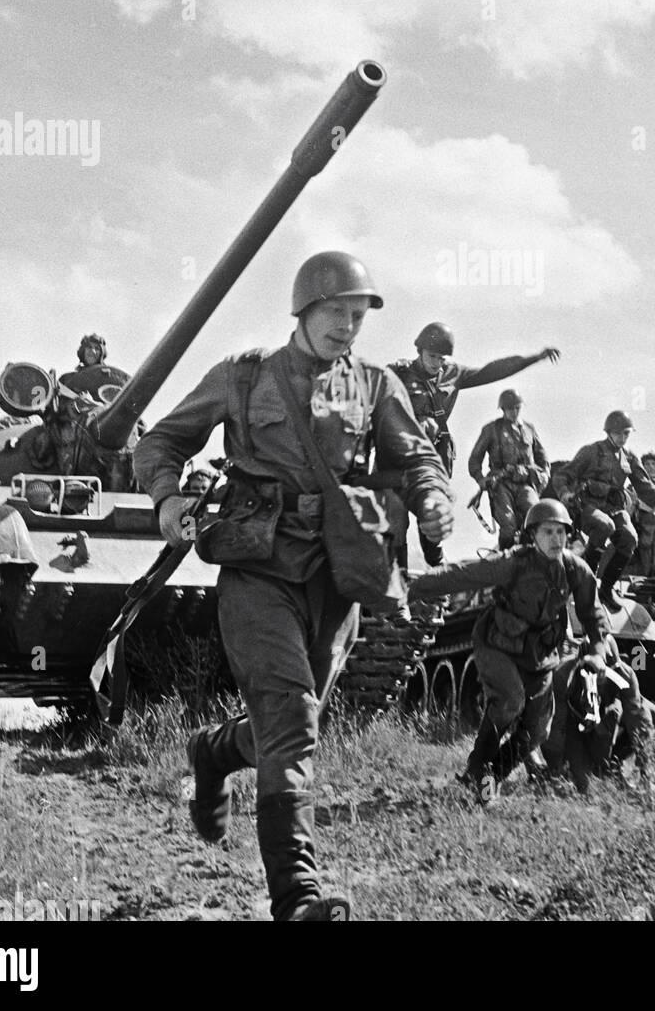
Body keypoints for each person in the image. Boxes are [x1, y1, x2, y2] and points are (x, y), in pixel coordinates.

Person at [132, 251, 452, 921]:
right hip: (258, 567)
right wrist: (167, 502)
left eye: (358, 315)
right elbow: (161, 442)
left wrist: (433, 497)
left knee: (289, 723)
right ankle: (297, 899)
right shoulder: (244, 376)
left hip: (335, 574)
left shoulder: (375, 383)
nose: (348, 326)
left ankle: (214, 751)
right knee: (293, 720)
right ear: (305, 309)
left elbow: (416, 454)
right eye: (337, 312)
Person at [407, 498, 609, 802]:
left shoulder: (574, 570)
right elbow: (463, 574)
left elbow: (594, 615)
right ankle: (477, 768)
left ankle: (488, 779)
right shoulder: (514, 562)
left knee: (538, 730)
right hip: (496, 645)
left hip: (539, 656)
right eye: (548, 532)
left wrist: (597, 651)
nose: (556, 539)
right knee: (510, 702)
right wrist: (410, 587)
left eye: (561, 533)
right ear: (532, 536)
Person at [390, 325, 560, 566]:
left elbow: (494, 370)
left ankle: (438, 573)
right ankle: (399, 579)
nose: (436, 363)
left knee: (432, 517)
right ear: (419, 350)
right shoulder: (399, 373)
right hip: (399, 456)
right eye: (431, 356)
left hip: (433, 458)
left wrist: (534, 358)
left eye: (441, 358)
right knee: (395, 520)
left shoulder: (452, 373)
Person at [557, 412, 655, 609]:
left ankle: (606, 589)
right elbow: (563, 475)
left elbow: (645, 486)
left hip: (614, 507)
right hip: (588, 506)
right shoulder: (591, 451)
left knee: (630, 538)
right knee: (604, 526)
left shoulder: (628, 457)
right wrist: (565, 494)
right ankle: (588, 581)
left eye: (626, 433)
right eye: (618, 433)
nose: (622, 438)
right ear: (609, 432)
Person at [544, 636, 655, 792]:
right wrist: (555, 769)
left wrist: (648, 771)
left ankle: (613, 766)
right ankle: (578, 771)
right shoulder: (562, 676)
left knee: (652, 714)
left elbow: (638, 721)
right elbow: (555, 726)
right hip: (575, 727)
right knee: (586, 786)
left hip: (608, 721)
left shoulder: (625, 675)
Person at [467, 390, 549, 551]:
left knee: (535, 518)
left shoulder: (529, 429)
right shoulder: (491, 429)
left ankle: (529, 558)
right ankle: (505, 563)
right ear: (503, 410)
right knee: (508, 526)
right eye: (511, 409)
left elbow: (542, 457)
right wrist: (481, 480)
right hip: (500, 484)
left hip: (525, 482)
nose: (515, 412)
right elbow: (474, 460)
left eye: (517, 408)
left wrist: (543, 476)